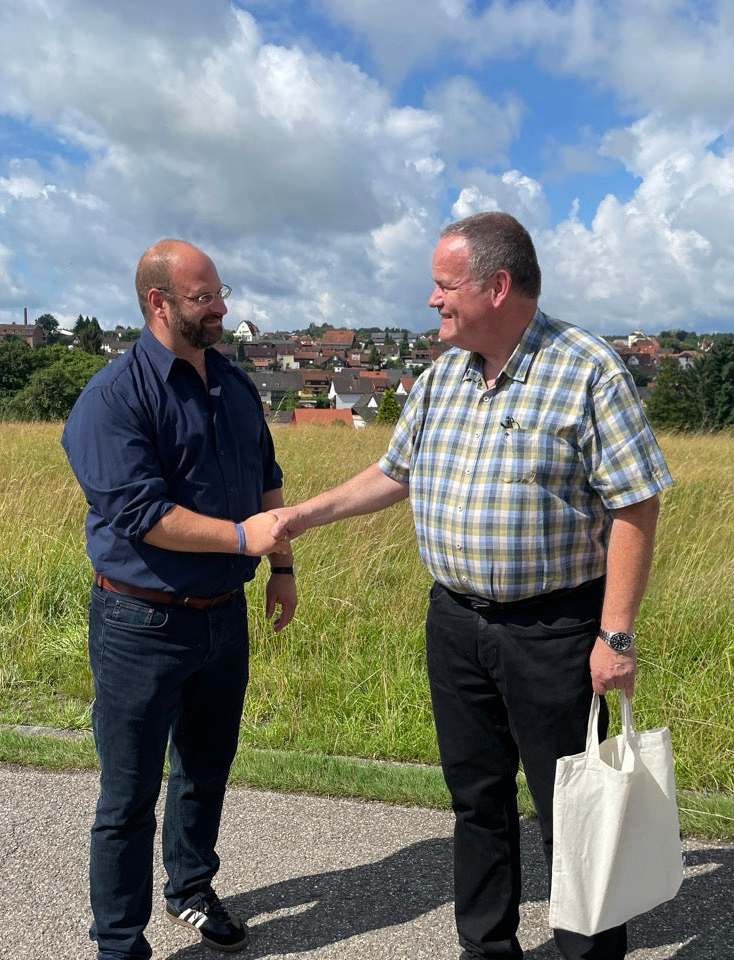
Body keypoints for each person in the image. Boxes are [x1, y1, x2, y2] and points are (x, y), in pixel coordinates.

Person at [271, 211, 671, 960]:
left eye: (442, 284)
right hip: (455, 623)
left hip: (553, 631)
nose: (431, 300)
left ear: (497, 285)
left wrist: (615, 632)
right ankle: (486, 949)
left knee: (574, 813)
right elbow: (394, 474)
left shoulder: (586, 368)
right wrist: (303, 516)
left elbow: (636, 502)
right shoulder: (440, 378)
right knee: (476, 800)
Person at [61, 238, 296, 960]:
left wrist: (280, 564)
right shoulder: (112, 398)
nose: (222, 308)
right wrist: (242, 538)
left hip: (224, 618)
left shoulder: (232, 384)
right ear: (159, 303)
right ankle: (120, 944)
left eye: (221, 293)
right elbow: (145, 514)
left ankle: (190, 889)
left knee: (205, 770)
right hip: (140, 622)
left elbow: (267, 478)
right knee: (128, 797)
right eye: (206, 298)